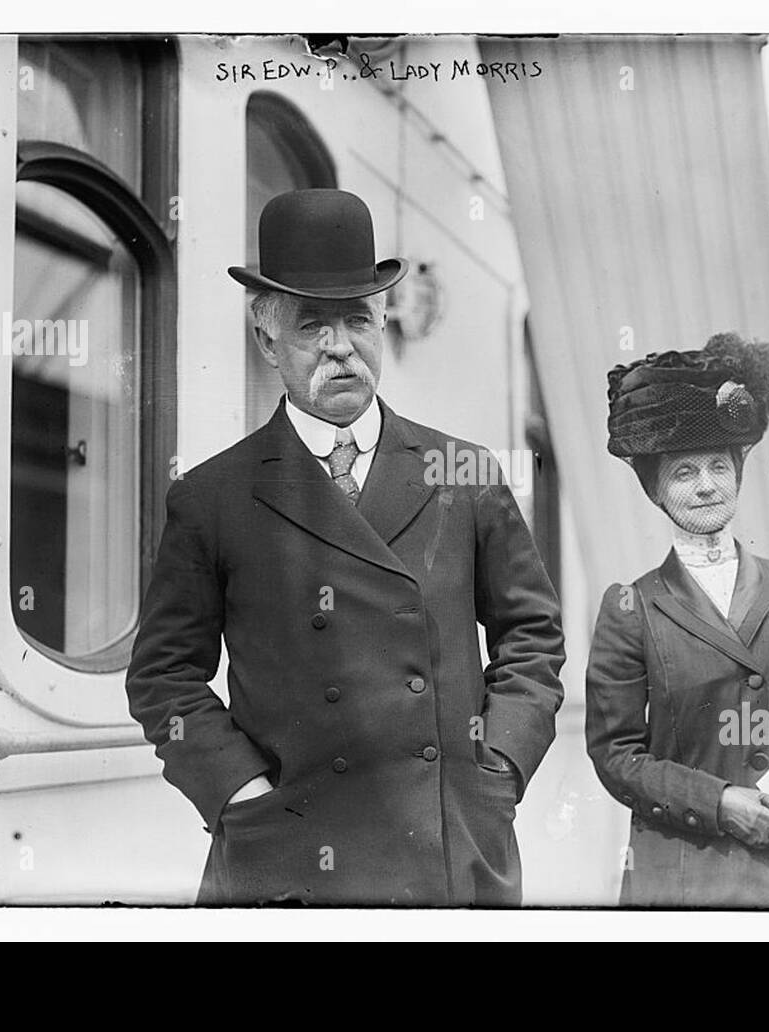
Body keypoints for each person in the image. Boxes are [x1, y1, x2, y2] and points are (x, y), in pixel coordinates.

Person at [126, 188, 565, 906]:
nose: (339, 347)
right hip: (287, 857)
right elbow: (163, 677)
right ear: (267, 340)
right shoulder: (214, 498)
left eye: (356, 320)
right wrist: (238, 792)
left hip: (448, 853)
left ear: (382, 323)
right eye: (311, 326)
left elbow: (533, 636)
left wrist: (499, 770)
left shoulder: (464, 474)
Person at [584, 336, 769, 907]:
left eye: (718, 466)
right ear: (655, 489)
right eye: (683, 471)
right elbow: (616, 754)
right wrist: (719, 803)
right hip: (688, 870)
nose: (705, 486)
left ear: (739, 474)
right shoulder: (631, 608)